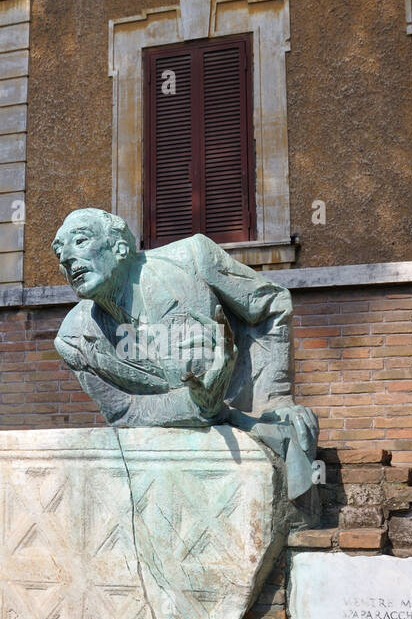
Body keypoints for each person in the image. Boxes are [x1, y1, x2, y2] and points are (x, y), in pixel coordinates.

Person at [51, 207, 319, 499]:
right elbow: (122, 410)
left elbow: (272, 306)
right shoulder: (73, 338)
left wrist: (273, 400)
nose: (66, 258)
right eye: (59, 252)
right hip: (168, 460)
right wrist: (197, 404)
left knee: (293, 448)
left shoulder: (192, 257)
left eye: (80, 241)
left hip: (246, 414)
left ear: (120, 246)